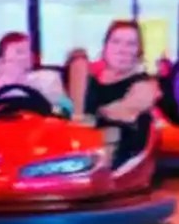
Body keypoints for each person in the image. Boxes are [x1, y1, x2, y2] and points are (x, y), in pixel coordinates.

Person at [68, 20, 160, 166]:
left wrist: (82, 120)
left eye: (130, 44)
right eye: (116, 42)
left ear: (138, 51)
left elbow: (120, 113)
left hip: (115, 159)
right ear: (105, 47)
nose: (122, 50)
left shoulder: (146, 85)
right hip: (78, 150)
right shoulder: (88, 78)